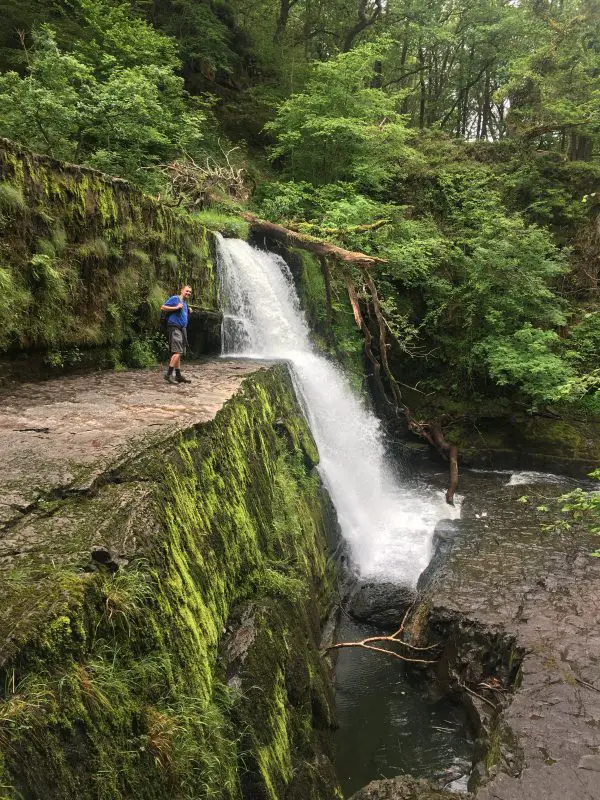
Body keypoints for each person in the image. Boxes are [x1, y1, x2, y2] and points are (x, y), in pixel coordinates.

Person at [161, 285, 192, 384]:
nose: (188, 293)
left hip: (182, 329)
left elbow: (182, 316)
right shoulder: (175, 299)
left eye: (190, 292)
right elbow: (163, 307)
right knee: (178, 352)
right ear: (182, 290)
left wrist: (188, 313)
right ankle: (168, 375)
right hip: (175, 328)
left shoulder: (185, 303)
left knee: (179, 352)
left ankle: (178, 375)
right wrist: (176, 307)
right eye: (187, 291)